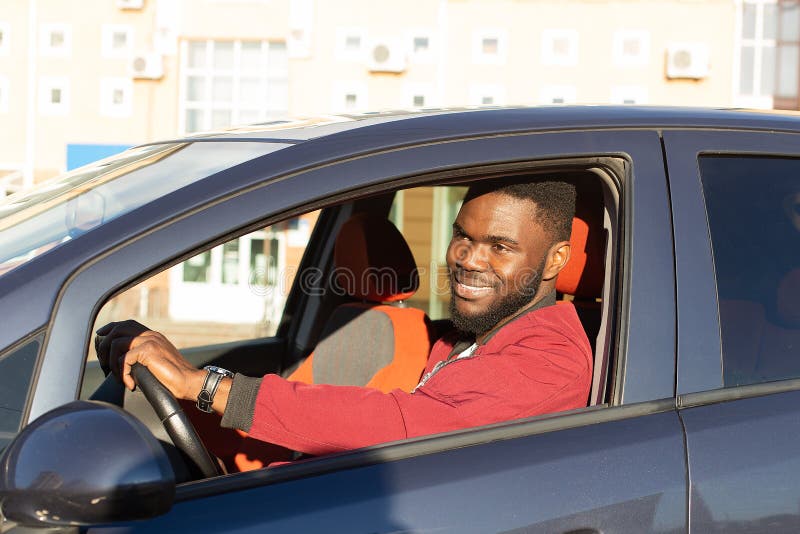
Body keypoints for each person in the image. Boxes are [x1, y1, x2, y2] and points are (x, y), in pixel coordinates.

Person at [96, 179, 593, 460]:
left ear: (555, 260)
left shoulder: (548, 361)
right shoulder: (460, 336)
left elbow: (401, 423)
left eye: (500, 247)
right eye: (463, 236)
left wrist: (204, 386)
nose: (468, 259)